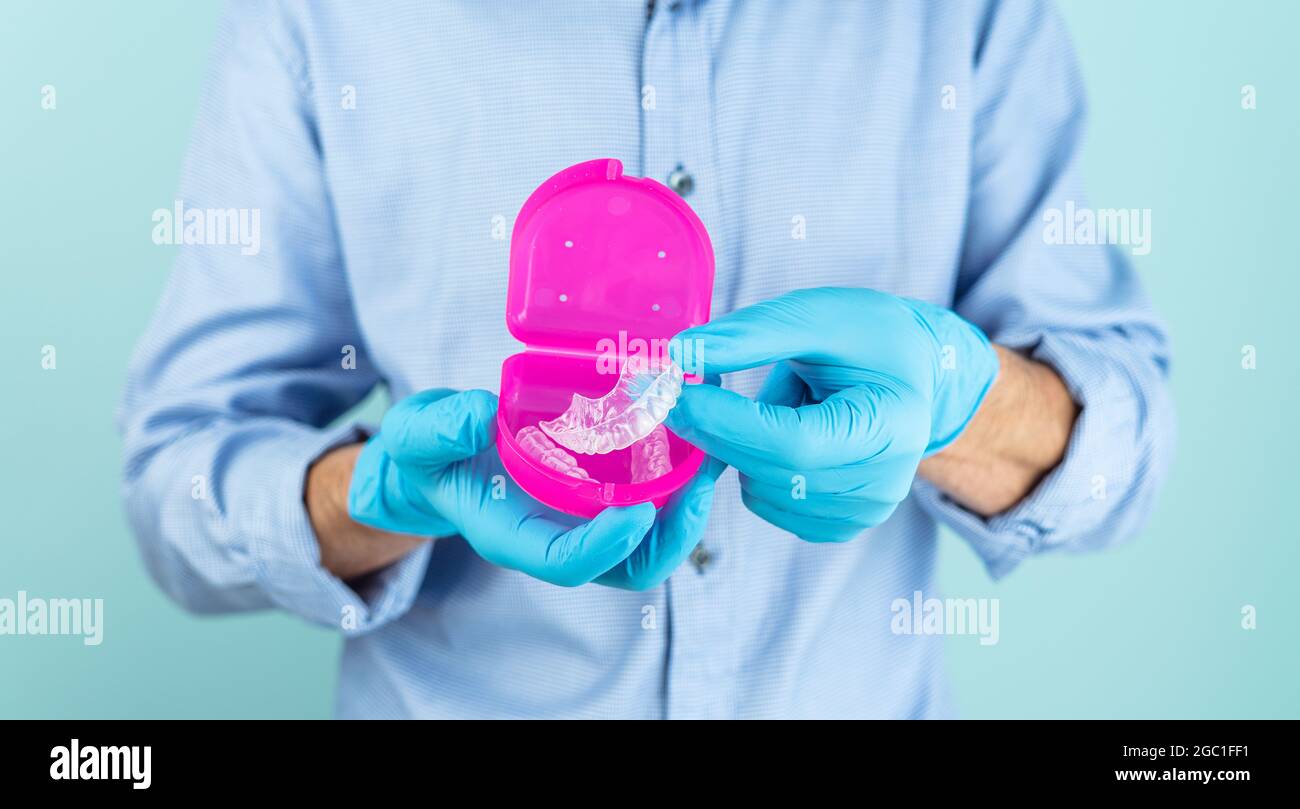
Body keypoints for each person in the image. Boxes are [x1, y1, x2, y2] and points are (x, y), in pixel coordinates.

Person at [118, 0, 1173, 719]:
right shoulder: (324, 22)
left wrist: (959, 402)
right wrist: (373, 494)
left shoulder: (962, 18)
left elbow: (1125, 453)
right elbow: (177, 479)